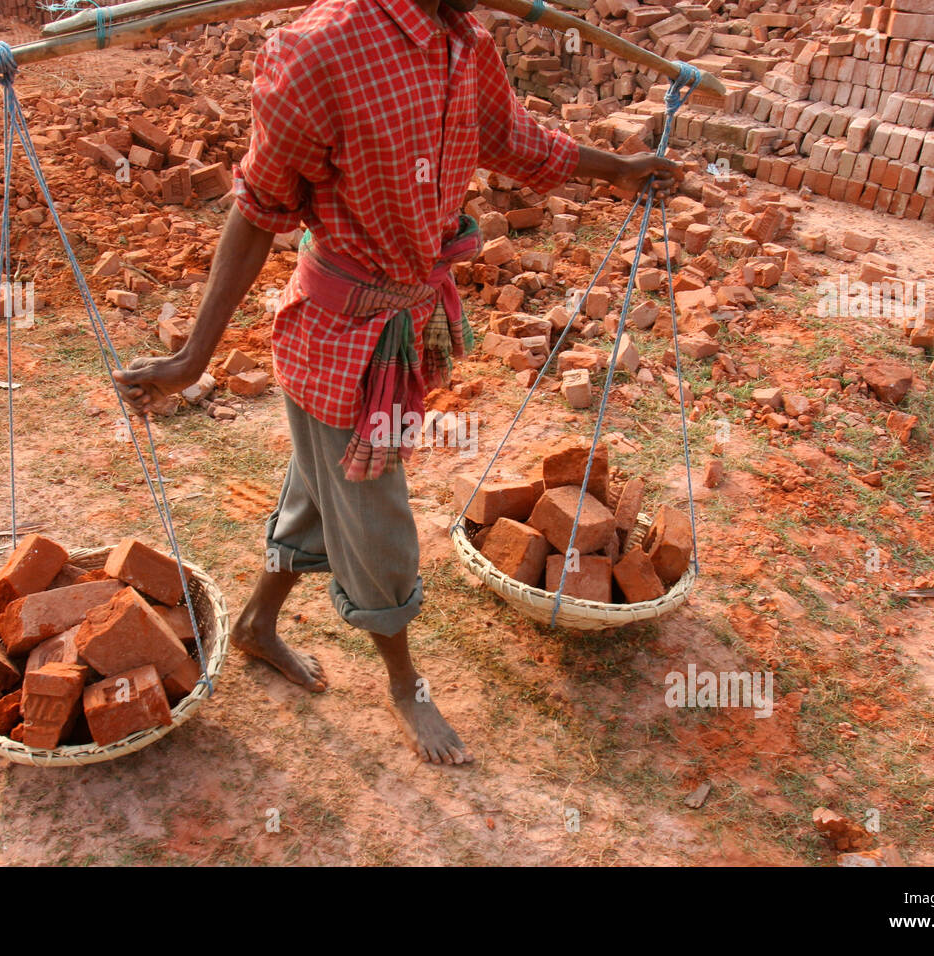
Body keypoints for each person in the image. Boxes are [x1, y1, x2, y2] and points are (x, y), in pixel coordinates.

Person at [115, 0, 682, 764]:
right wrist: (190, 358)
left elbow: (515, 141)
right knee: (379, 529)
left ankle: (254, 625)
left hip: (403, 330)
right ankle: (406, 686)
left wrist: (620, 170)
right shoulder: (319, 54)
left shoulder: (465, 42)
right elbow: (256, 213)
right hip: (339, 345)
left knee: (319, 494)